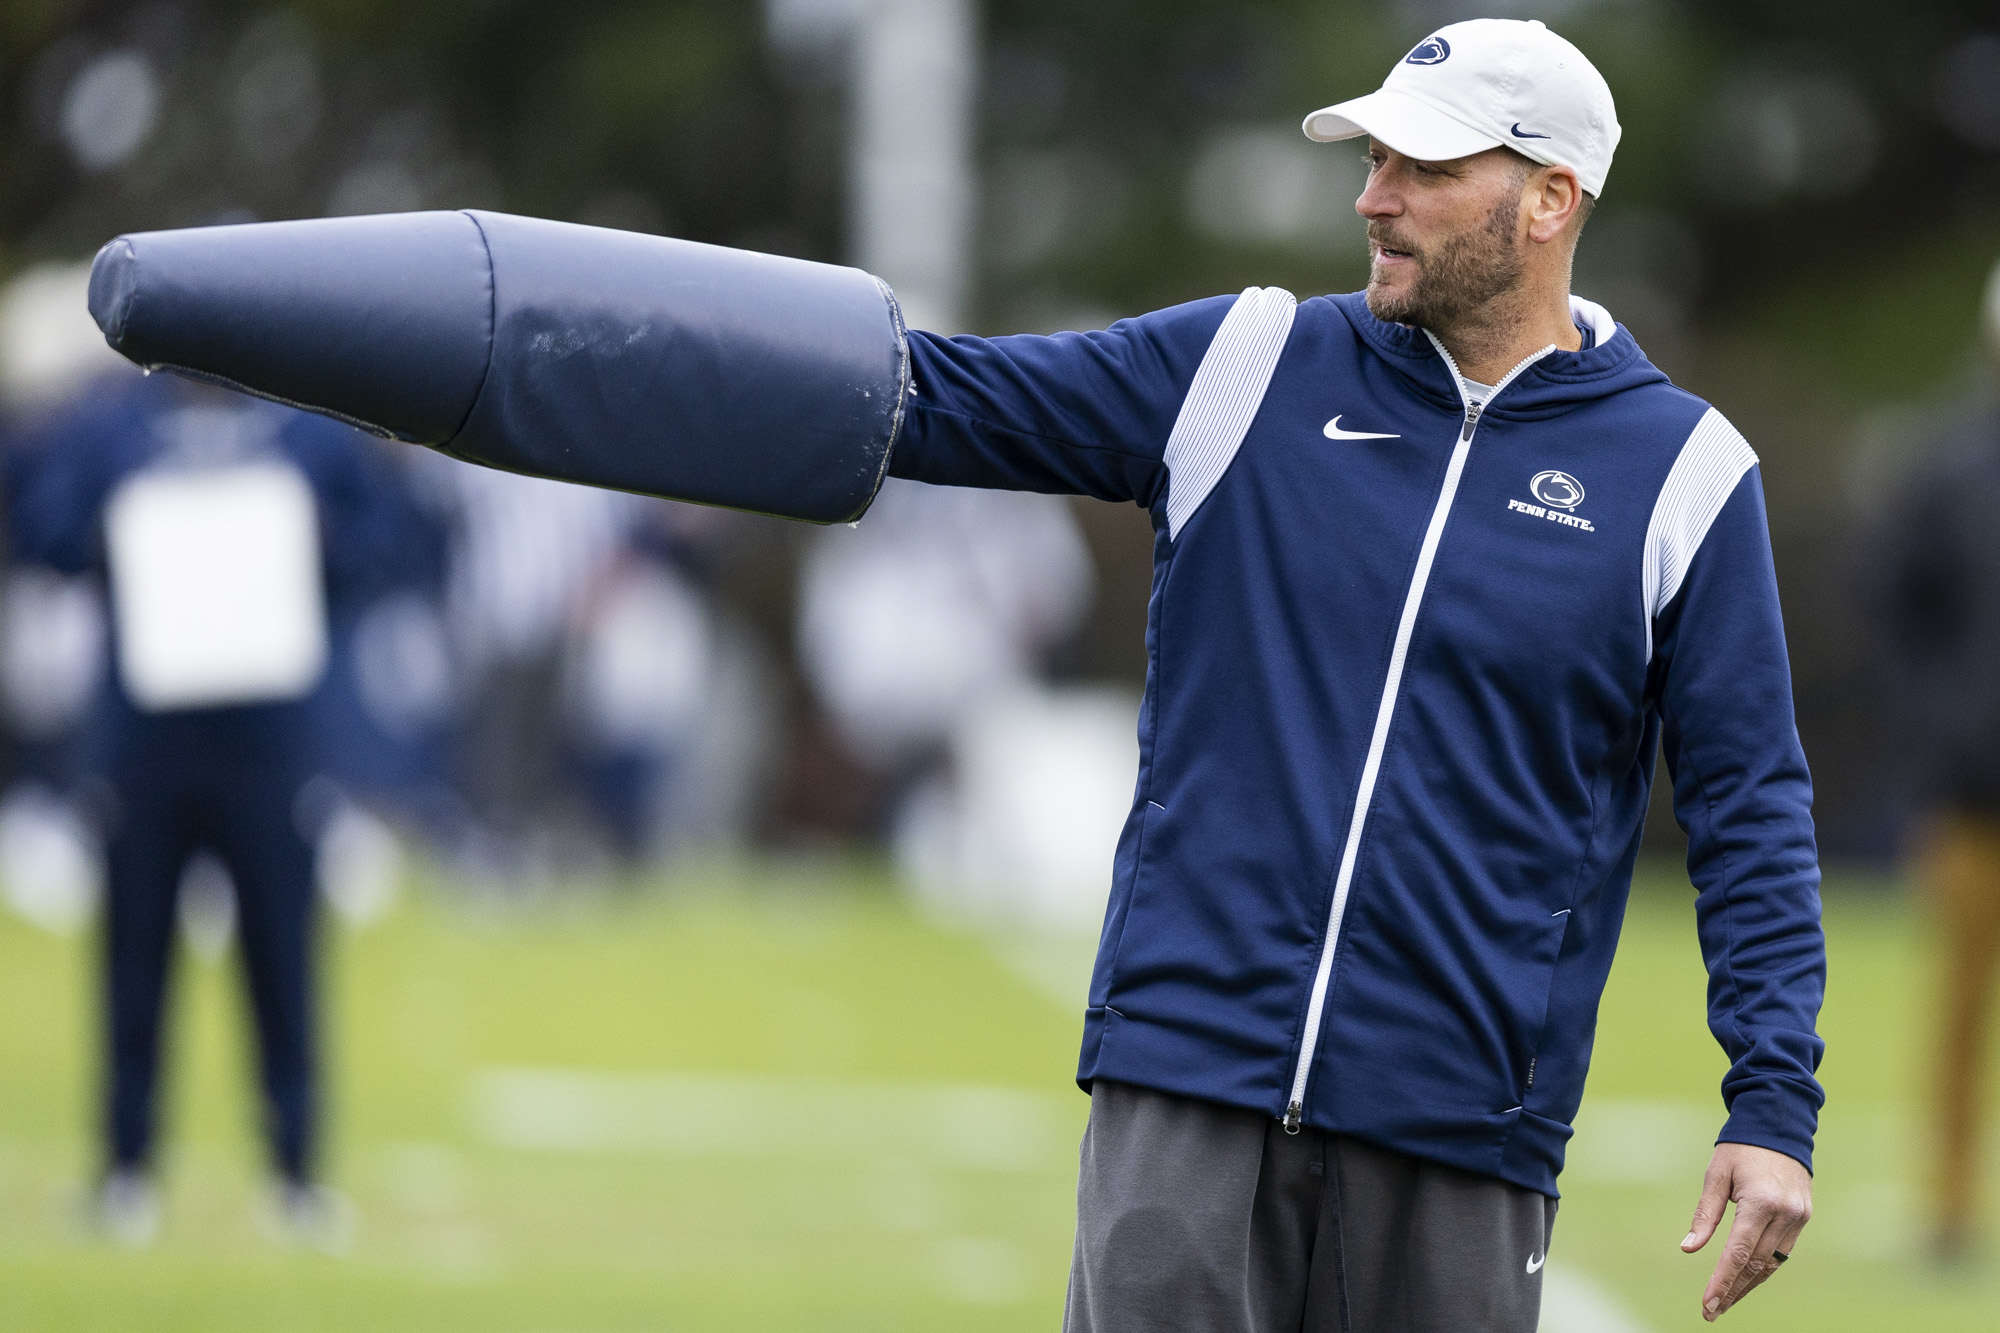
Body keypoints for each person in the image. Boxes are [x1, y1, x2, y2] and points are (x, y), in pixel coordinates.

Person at [80, 17, 1826, 1326]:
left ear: (1549, 197)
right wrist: (585, 357)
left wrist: (1773, 1102)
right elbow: (933, 399)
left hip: (1462, 1112)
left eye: (1422, 166)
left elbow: (1750, 803)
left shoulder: (1684, 473)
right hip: (1188, 1076)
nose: (1370, 192)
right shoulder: (1240, 367)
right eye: (1367, 153)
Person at [8, 368, 417, 1248]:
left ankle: (296, 1171)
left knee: (282, 956)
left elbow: (383, 542)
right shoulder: (114, 427)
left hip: (268, 739)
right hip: (147, 736)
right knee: (133, 957)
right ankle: (125, 1170)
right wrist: (128, 534)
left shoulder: (309, 430)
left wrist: (306, 540)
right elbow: (43, 527)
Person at [1871, 256, 2000, 1263]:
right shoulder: (1951, 463)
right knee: (1957, 1012)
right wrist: (1939, 731)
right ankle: (1947, 1205)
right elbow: (1897, 611)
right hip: (1970, 794)